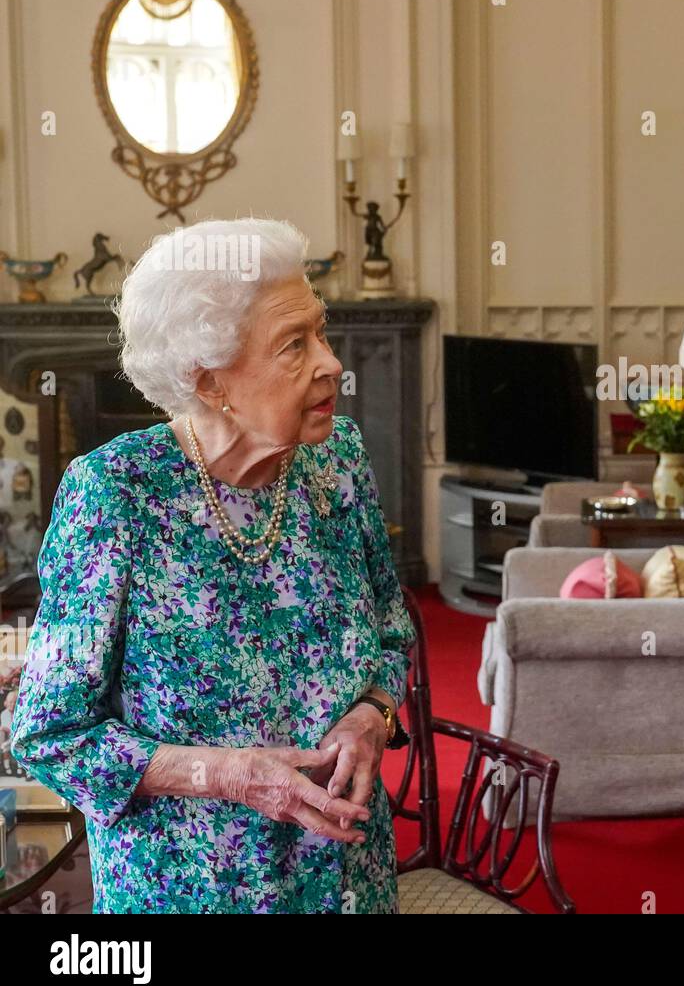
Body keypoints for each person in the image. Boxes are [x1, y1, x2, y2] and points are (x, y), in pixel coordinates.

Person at [11, 218, 416, 913]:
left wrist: (371, 716)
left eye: (320, 331)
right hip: (187, 890)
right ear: (209, 381)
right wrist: (231, 775)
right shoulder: (116, 494)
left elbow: (391, 630)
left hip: (346, 879)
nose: (331, 363)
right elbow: (51, 733)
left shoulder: (337, 458)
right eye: (295, 345)